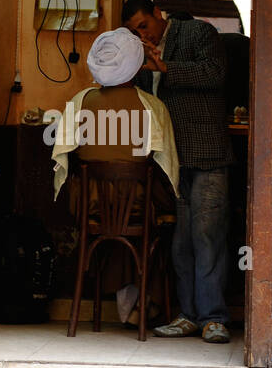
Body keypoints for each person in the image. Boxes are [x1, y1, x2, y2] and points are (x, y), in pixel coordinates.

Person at [50, 27, 179, 329]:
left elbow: (64, 154)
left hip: (89, 208)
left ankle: (124, 305)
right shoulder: (152, 106)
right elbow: (169, 165)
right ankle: (150, 306)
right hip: (138, 208)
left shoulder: (80, 102)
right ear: (135, 63)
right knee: (160, 221)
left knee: (116, 222)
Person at [122, 0, 233, 344]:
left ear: (158, 13)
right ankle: (188, 315)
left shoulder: (197, 32)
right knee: (181, 241)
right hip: (171, 158)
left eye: (144, 25)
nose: (144, 35)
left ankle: (214, 319)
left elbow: (215, 73)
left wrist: (166, 67)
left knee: (207, 236)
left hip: (207, 152)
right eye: (135, 31)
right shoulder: (139, 53)